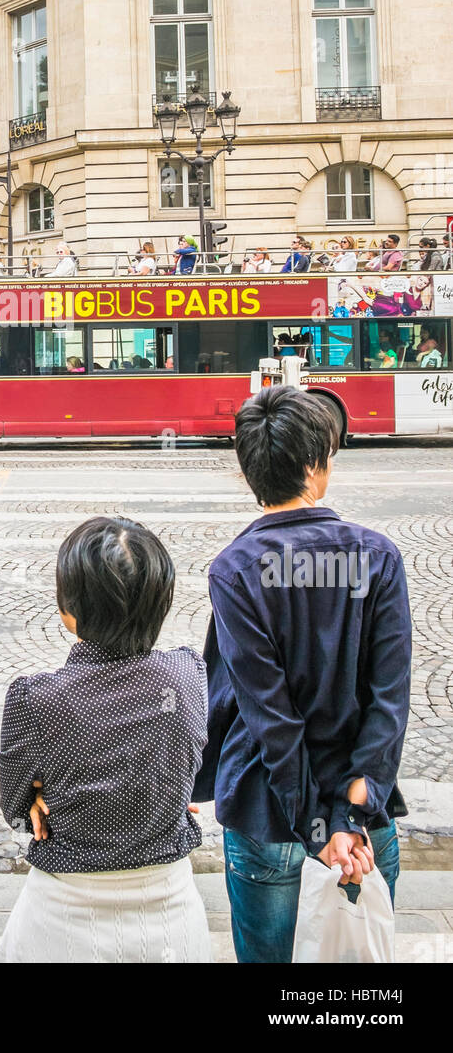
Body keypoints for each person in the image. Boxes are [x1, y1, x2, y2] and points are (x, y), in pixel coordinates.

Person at [194, 385, 410, 964]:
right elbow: (389, 702)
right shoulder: (378, 556)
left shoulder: (235, 569)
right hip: (362, 814)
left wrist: (316, 829)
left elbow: (271, 716)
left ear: (250, 473)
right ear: (316, 465)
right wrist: (347, 817)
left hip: (269, 811)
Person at [0, 516, 210, 965]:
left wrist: (37, 796)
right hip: (171, 918)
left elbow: (15, 806)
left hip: (62, 919)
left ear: (69, 609)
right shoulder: (189, 674)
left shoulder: (35, 699)